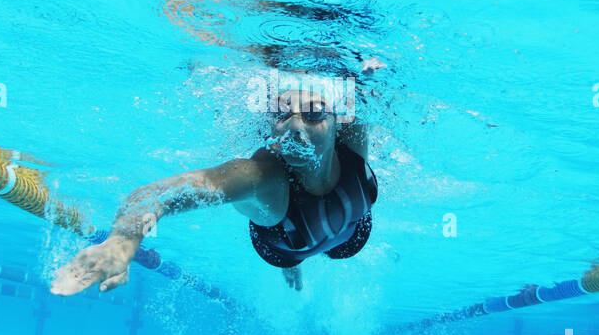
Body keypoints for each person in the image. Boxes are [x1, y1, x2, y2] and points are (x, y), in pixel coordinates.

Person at [50, 81, 378, 296]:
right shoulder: (263, 180)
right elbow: (158, 195)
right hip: (287, 246)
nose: (294, 126)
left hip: (352, 232)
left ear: (338, 121)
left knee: (342, 246)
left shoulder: (353, 140)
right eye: (281, 114)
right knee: (292, 260)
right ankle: (293, 267)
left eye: (314, 113)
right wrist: (122, 240)